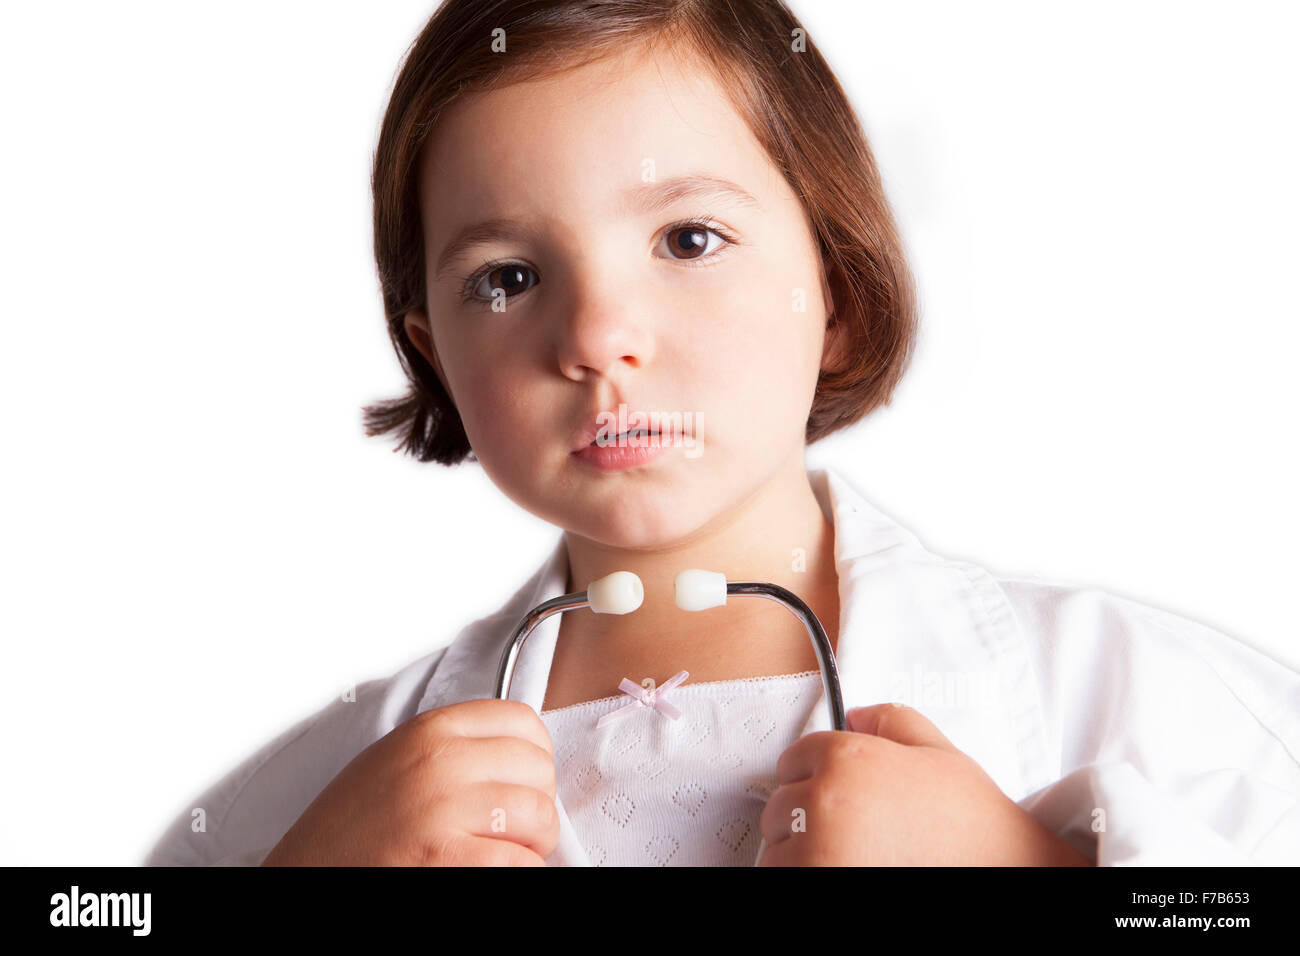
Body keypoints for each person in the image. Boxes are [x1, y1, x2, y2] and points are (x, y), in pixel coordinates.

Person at [143, 0, 1300, 866]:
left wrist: (1033, 865)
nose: (596, 334)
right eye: (508, 276)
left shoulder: (1136, 697)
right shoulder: (327, 794)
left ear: (835, 294)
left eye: (688, 240)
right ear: (435, 350)